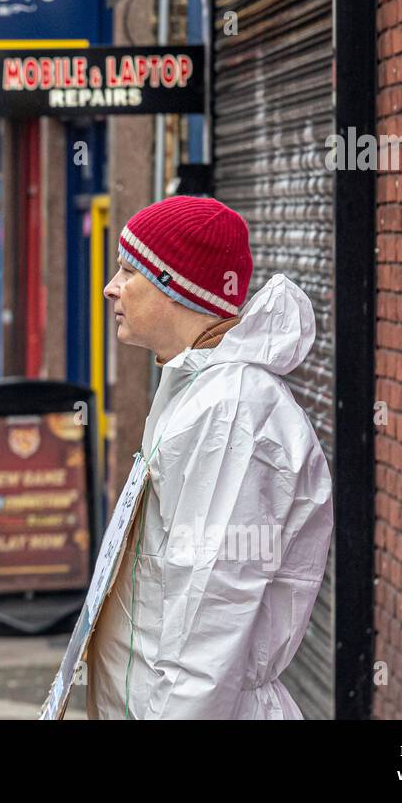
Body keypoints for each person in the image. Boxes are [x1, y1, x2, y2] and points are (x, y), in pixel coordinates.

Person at [85, 195, 333, 719]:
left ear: (178, 289)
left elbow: (208, 616)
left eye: (130, 271)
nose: (111, 287)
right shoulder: (198, 390)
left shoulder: (231, 414)